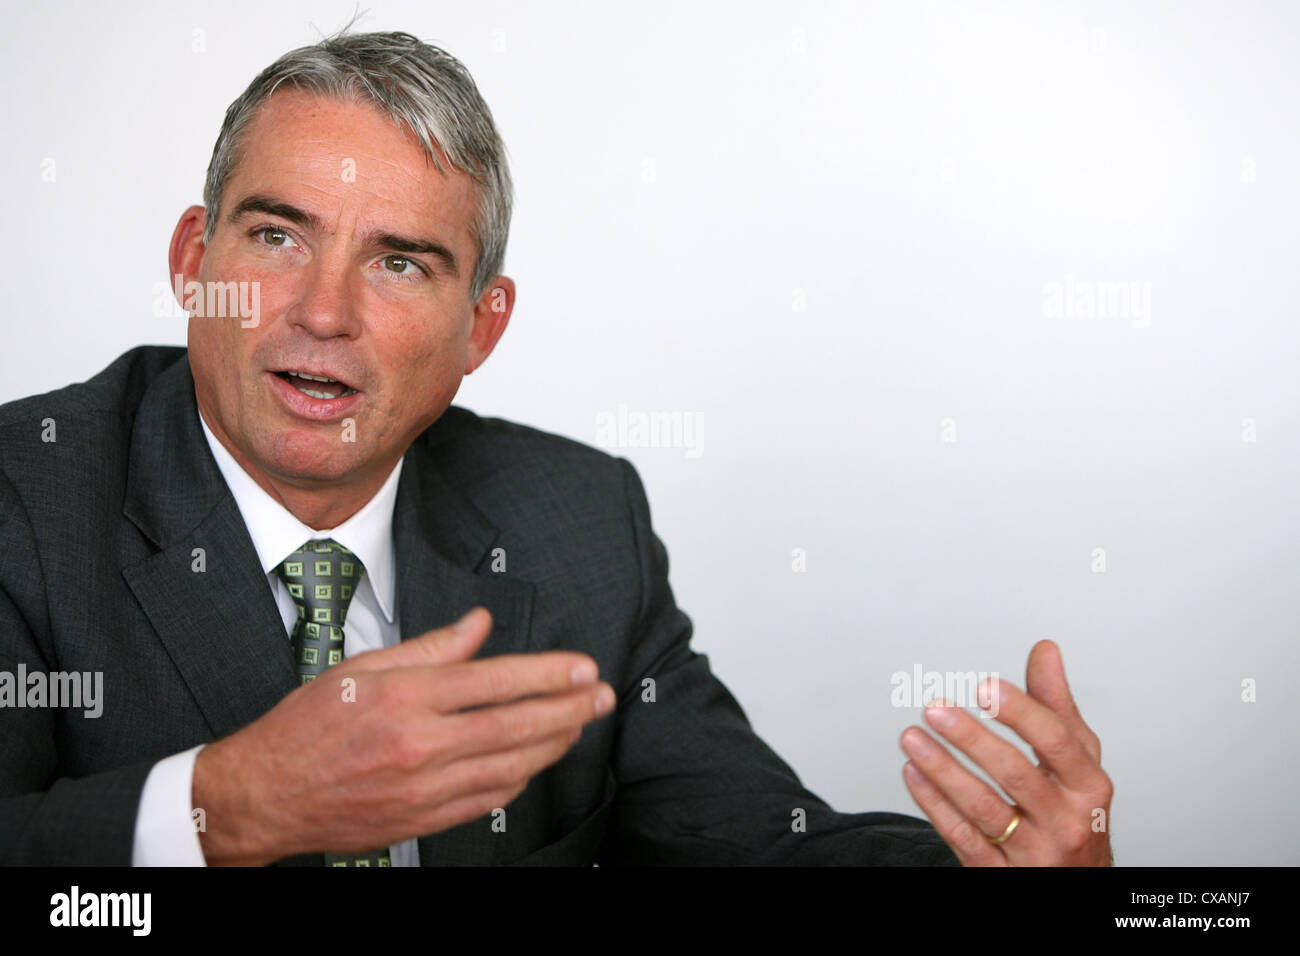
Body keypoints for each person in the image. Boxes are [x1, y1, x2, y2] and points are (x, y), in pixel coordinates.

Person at [0, 28, 1112, 866]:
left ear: (481, 325)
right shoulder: (25, 497)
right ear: (196, 257)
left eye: (399, 262)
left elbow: (756, 844)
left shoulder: (576, 520)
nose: (323, 312)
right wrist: (229, 801)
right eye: (278, 234)